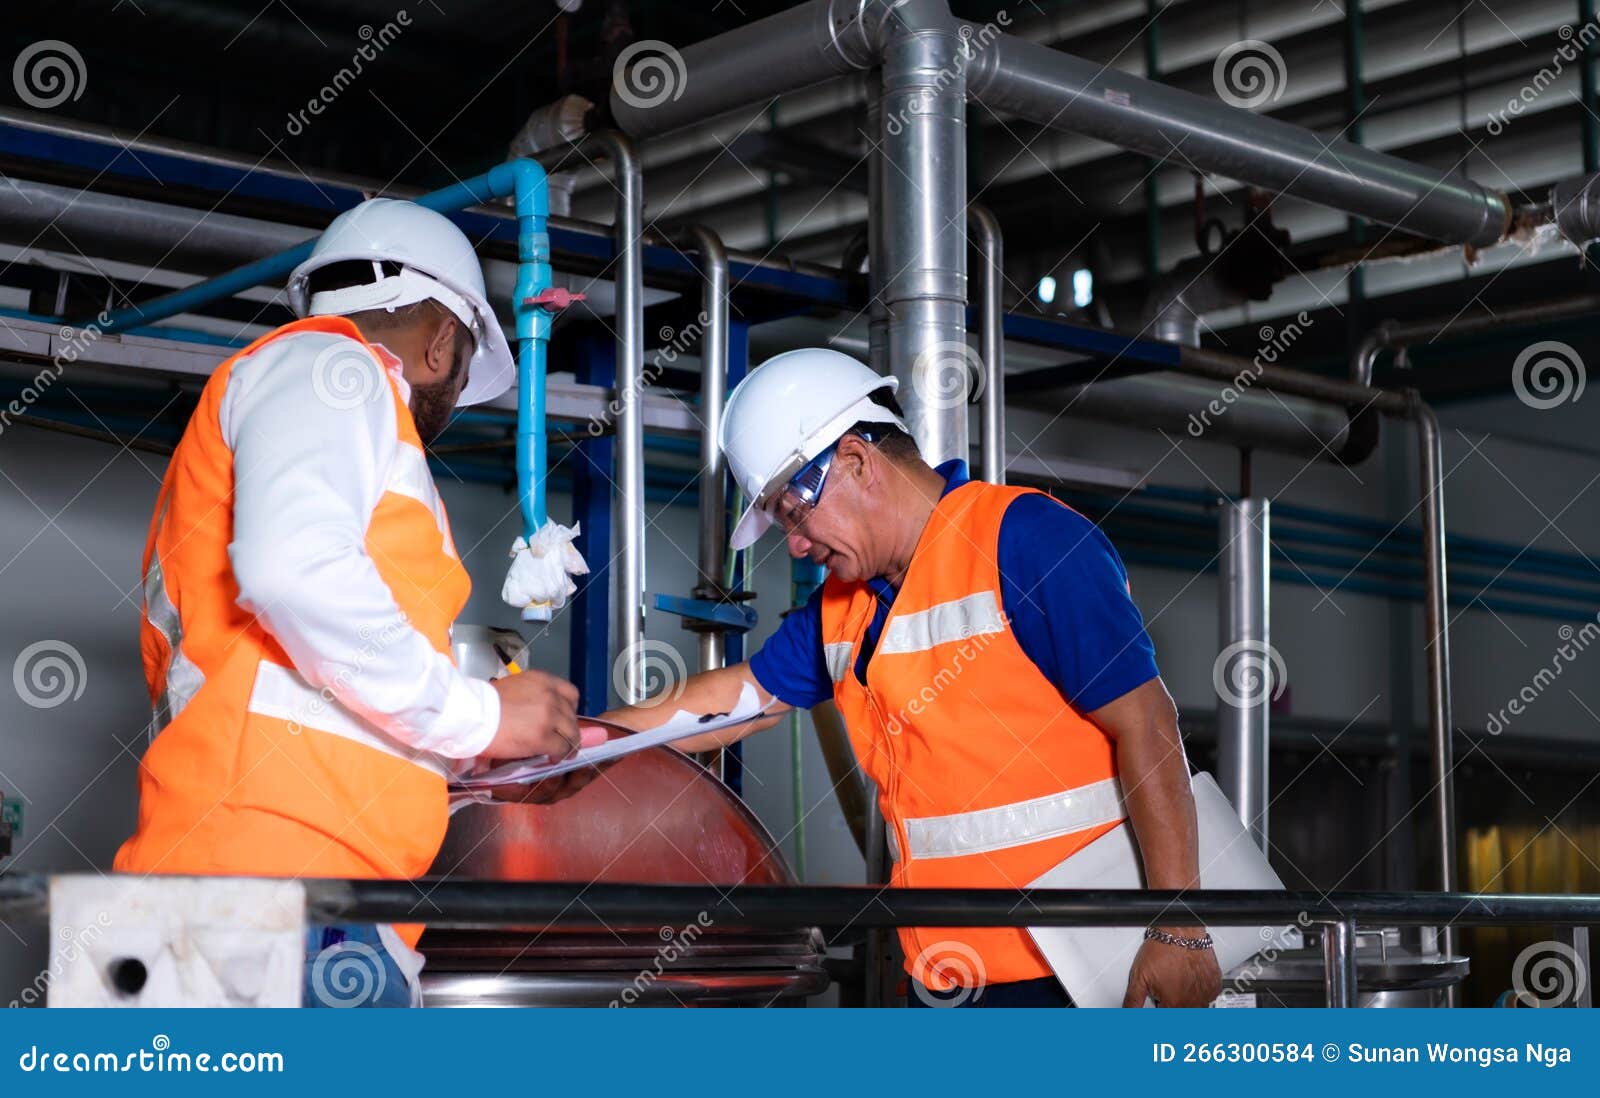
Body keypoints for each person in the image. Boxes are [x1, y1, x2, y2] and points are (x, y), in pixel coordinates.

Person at [587, 347, 1221, 1008]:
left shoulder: (1026, 540)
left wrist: (1179, 926)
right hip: (947, 978)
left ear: (857, 461)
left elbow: (1147, 723)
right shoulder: (842, 606)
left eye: (794, 511)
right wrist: (588, 742)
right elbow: (737, 699)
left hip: (1084, 976)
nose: (796, 544)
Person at [113, 198, 598, 1007]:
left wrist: (471, 758)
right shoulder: (333, 366)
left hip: (260, 897)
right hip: (279, 900)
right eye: (462, 367)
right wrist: (478, 718)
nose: (444, 413)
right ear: (442, 341)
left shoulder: (294, 389)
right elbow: (293, 571)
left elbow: (303, 690)